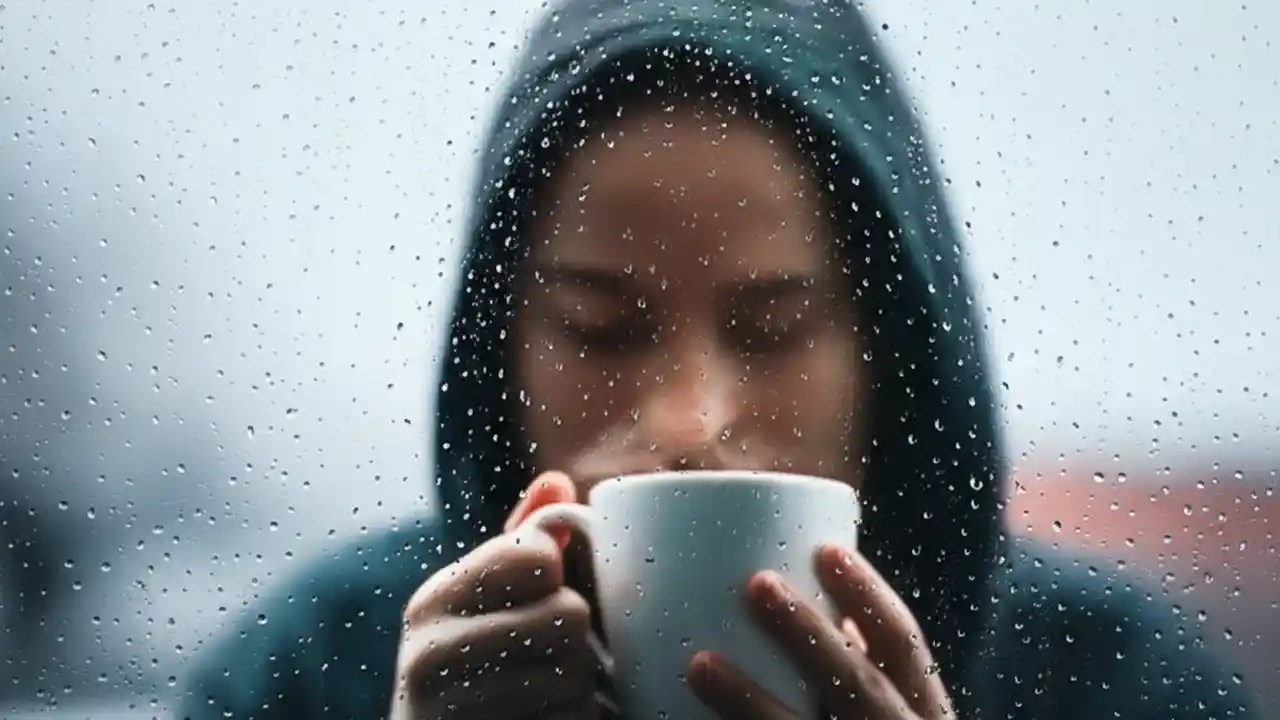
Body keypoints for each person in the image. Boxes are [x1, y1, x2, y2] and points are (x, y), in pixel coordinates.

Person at [178, 0, 1256, 718]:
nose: (687, 421)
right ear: (496, 353)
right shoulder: (305, 674)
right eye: (598, 327)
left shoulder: (1128, 685)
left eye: (774, 328)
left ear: (891, 353)